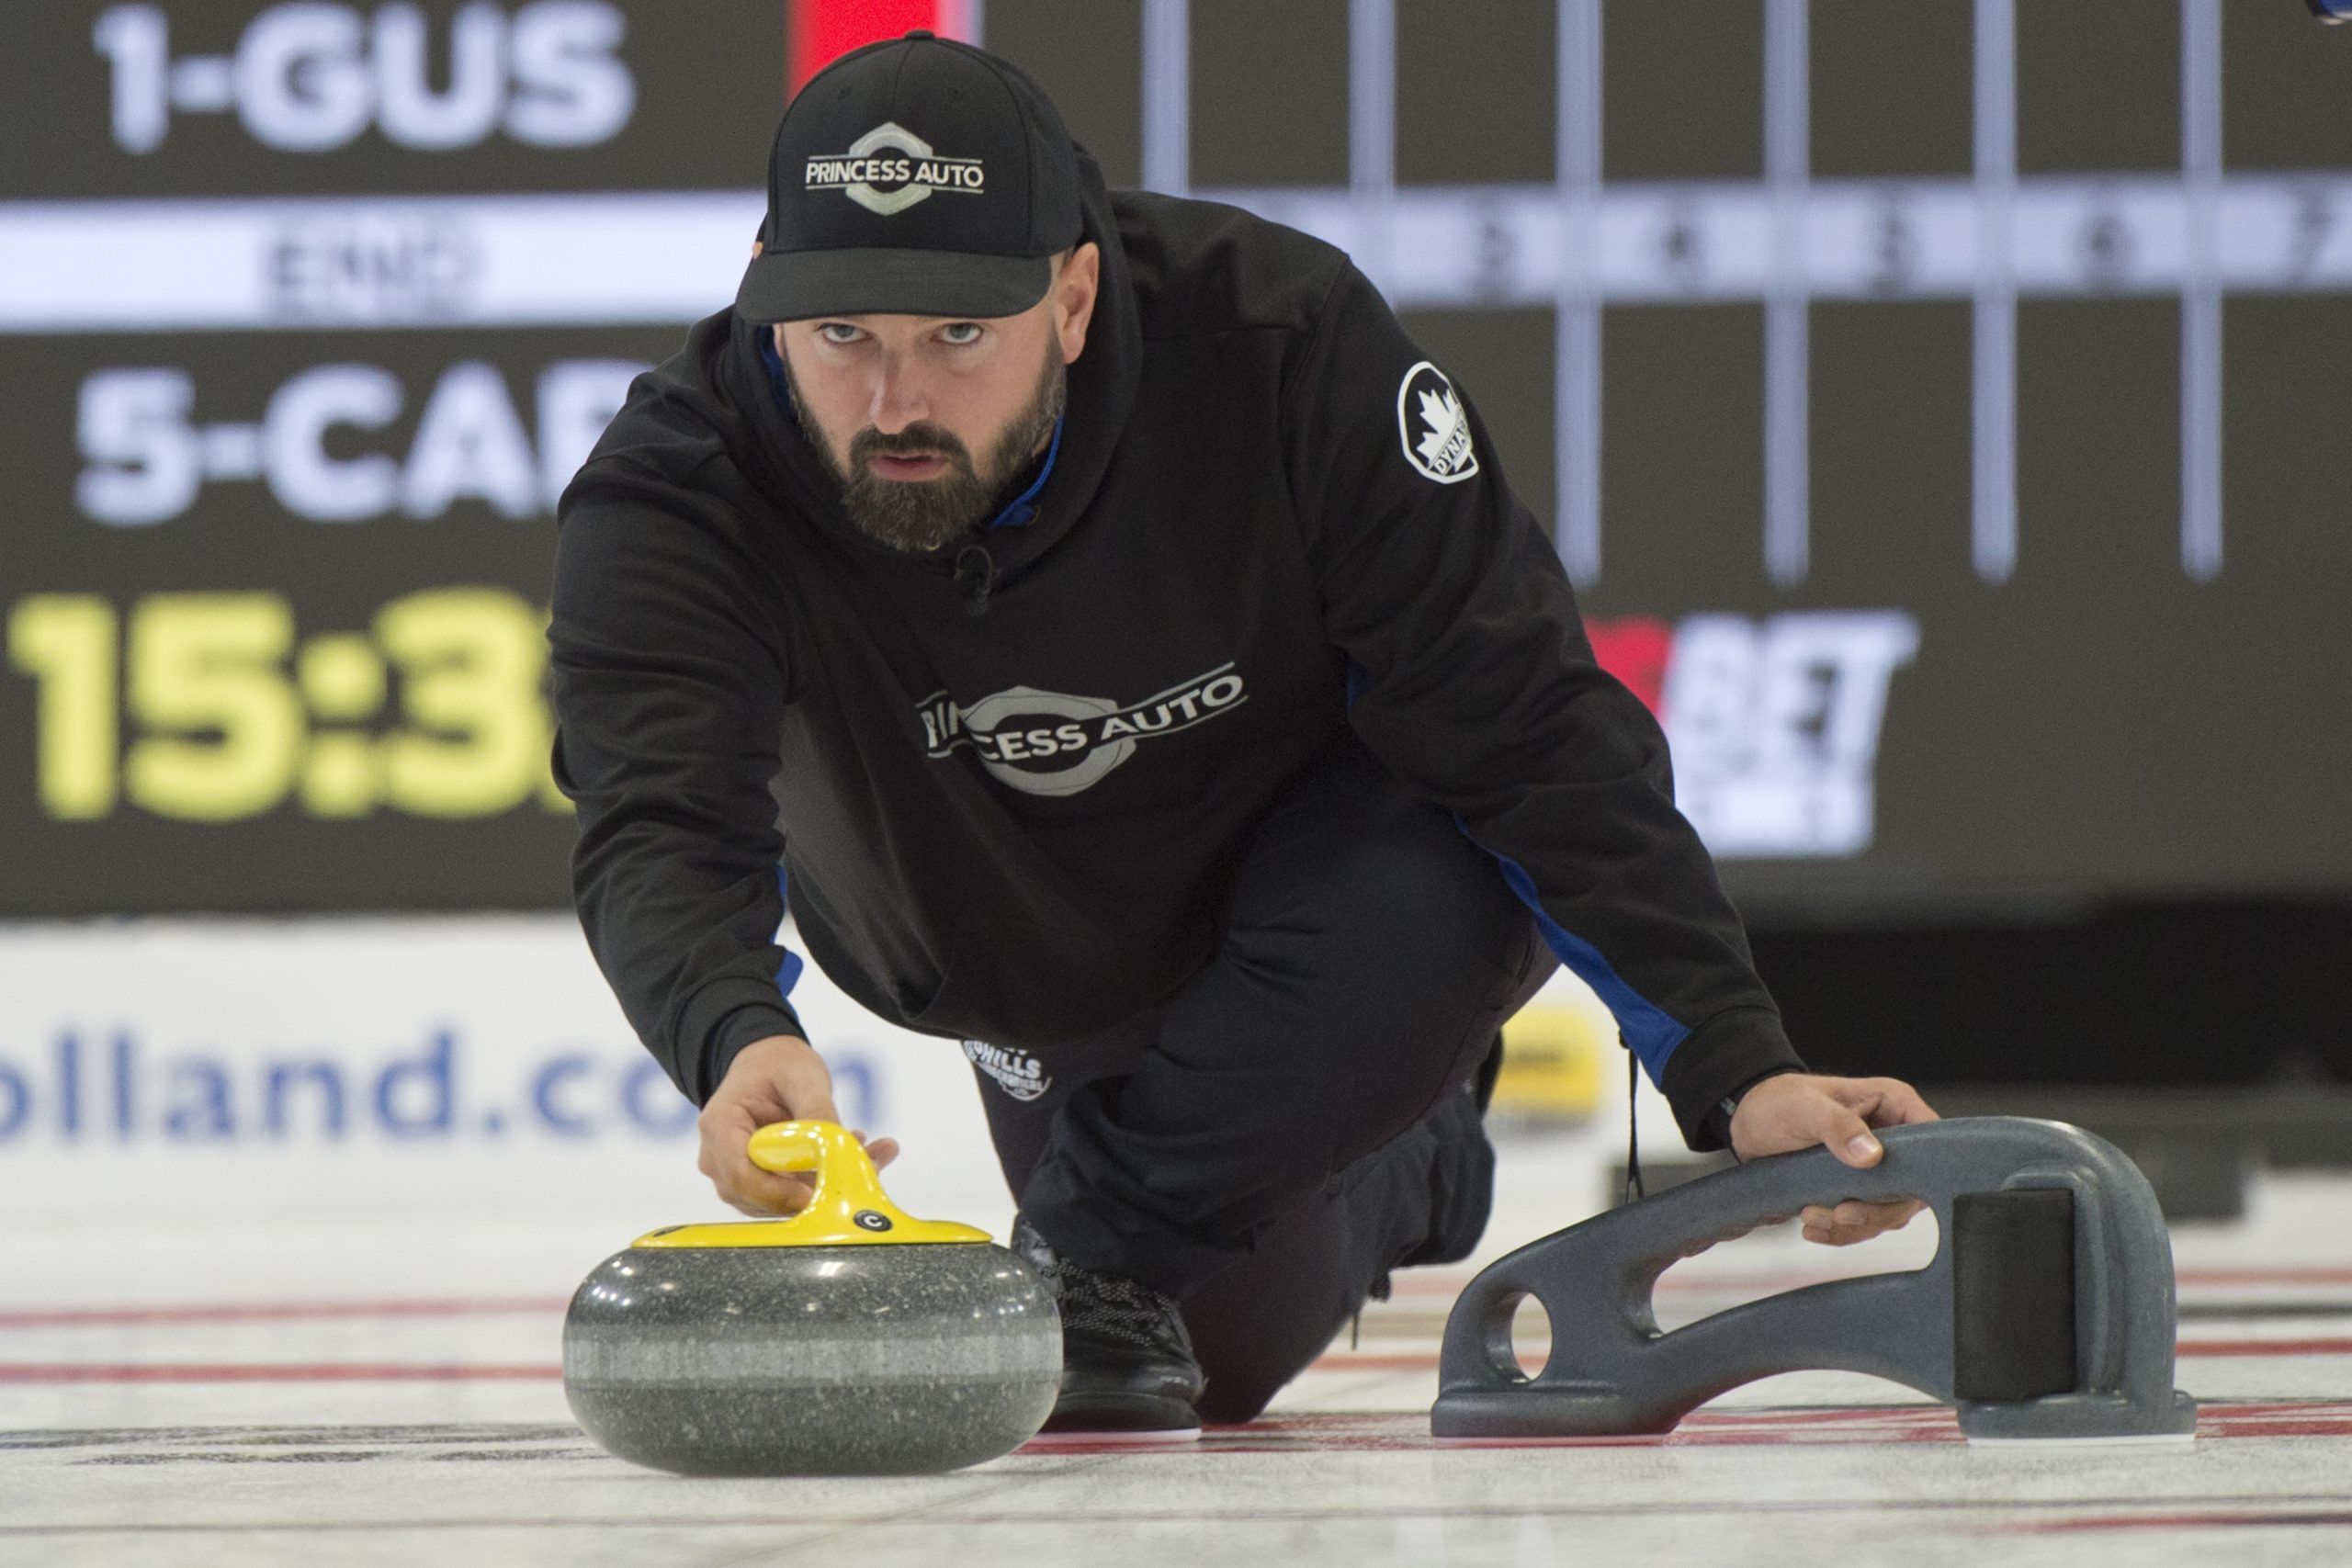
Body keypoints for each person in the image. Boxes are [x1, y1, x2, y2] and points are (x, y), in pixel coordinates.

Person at [548, 30, 1937, 1437]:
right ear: (769, 301)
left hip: (1335, 901)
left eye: (958, 334)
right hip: (1020, 969)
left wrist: (1739, 1067)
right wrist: (729, 1035)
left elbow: (1529, 732)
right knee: (1205, 1371)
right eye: (843, 335)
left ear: (1074, 297)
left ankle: (1213, 1168)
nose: (896, 400)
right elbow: (656, 813)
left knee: (1133, 1243)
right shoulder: (680, 486)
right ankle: (1408, 1154)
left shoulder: (1283, 350)